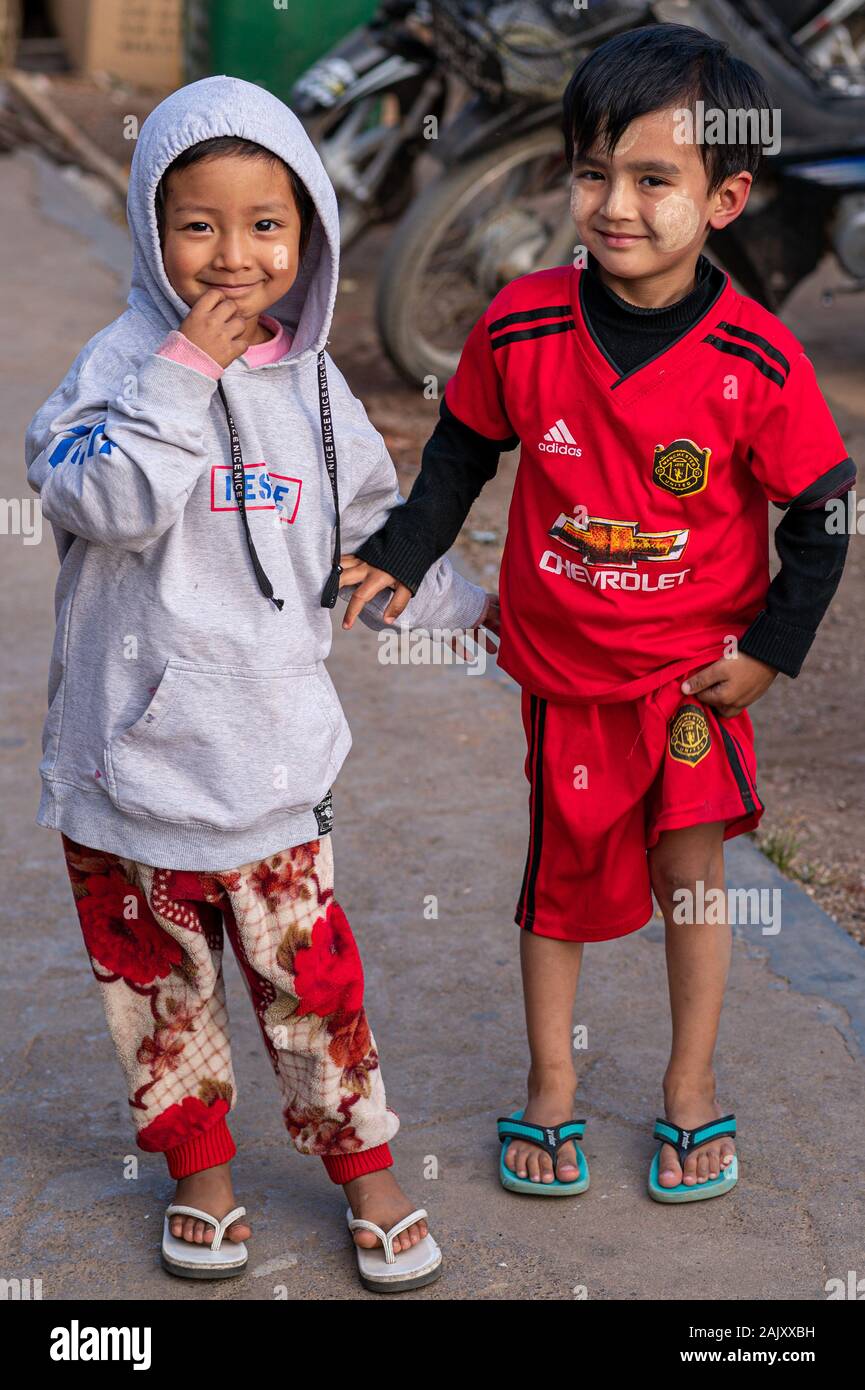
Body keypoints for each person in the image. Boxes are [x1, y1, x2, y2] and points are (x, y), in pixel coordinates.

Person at [339, 25, 856, 1202]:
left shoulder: (757, 361)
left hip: (690, 681)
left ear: (726, 197)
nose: (612, 203)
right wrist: (402, 551)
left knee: (691, 877)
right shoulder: (521, 325)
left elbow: (825, 514)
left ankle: (688, 1087)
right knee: (557, 885)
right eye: (589, 171)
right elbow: (460, 454)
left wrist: (770, 655)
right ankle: (550, 1090)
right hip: (563, 675)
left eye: (650, 178)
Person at [25, 75, 487, 1287]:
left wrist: (487, 624)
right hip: (125, 776)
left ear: (310, 235)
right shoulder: (114, 368)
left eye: (266, 225)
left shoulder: (320, 391)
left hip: (273, 773)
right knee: (162, 1005)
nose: (233, 256)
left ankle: (368, 1177)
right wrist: (181, 367)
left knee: (314, 993)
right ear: (150, 228)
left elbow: (370, 548)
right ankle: (204, 1180)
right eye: (198, 226)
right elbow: (101, 500)